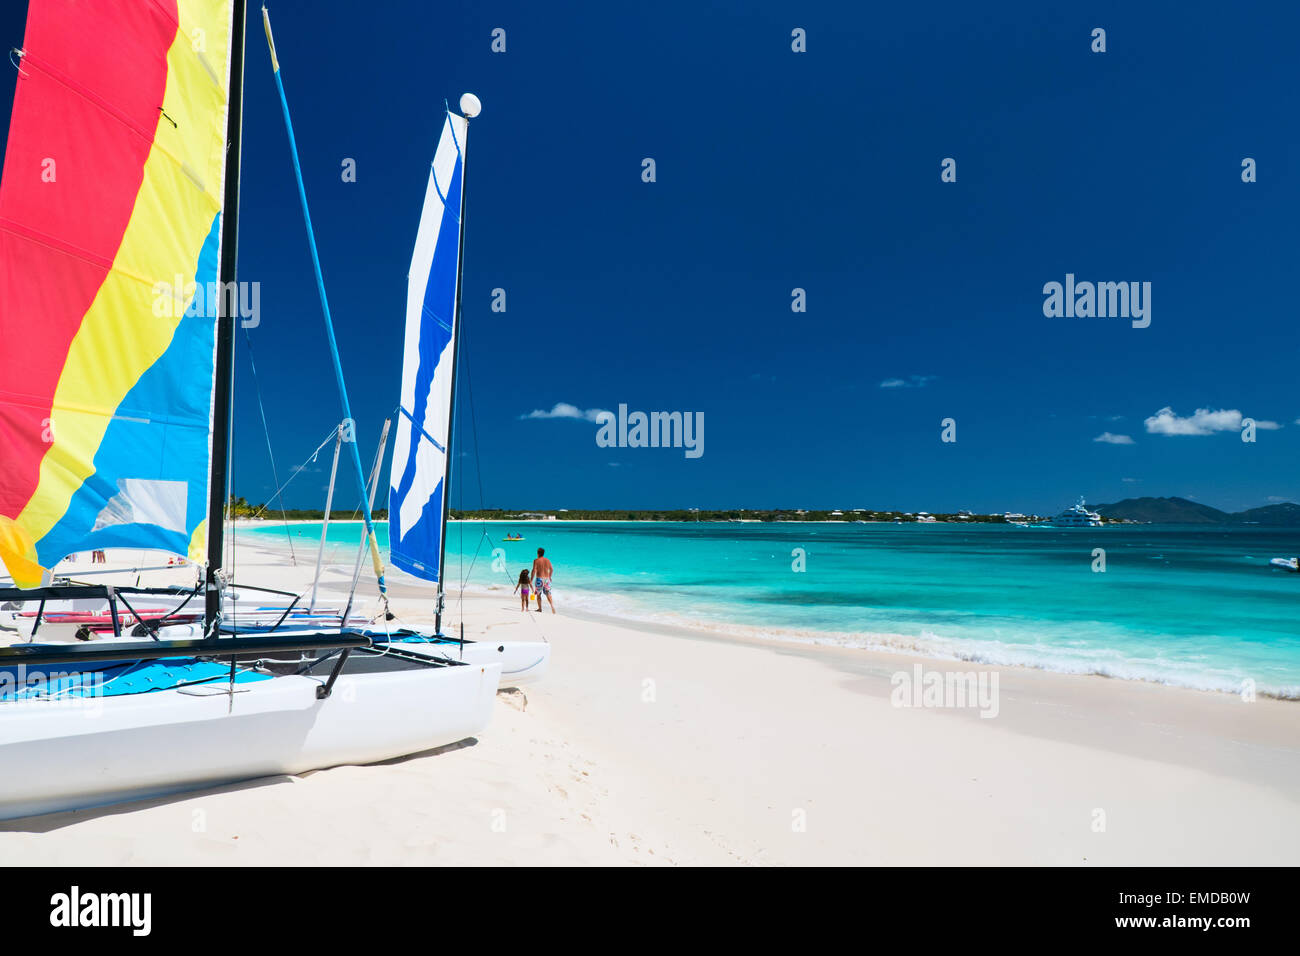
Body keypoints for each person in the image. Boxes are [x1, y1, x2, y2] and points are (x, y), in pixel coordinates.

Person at [531, 547, 555, 614]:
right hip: (547, 579)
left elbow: (534, 570)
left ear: (538, 553)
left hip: (539, 579)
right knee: (548, 593)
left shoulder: (536, 560)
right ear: (543, 553)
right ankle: (552, 606)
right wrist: (550, 577)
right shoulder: (547, 560)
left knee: (538, 594)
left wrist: (531, 579)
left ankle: (540, 608)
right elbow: (551, 569)